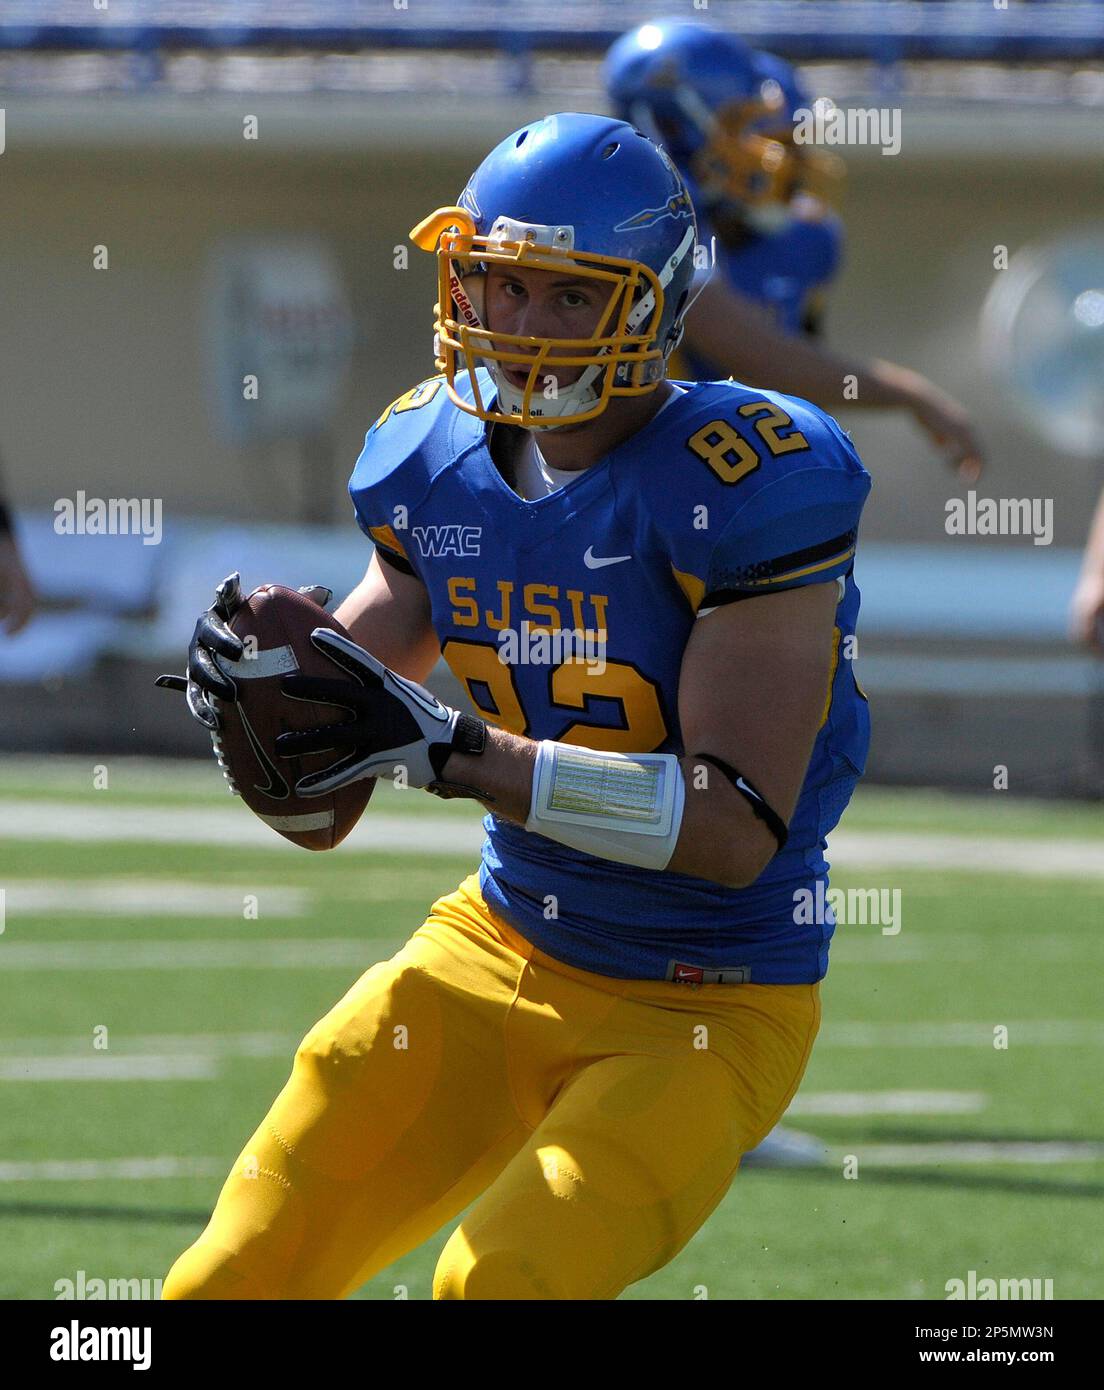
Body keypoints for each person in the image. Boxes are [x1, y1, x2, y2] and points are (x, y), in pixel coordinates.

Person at [159, 112, 871, 1300]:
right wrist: (263, 700)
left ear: (649, 306)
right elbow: (329, 785)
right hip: (497, 944)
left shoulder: (750, 480)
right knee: (231, 1279)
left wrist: (459, 752)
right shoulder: (426, 460)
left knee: (501, 1282)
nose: (514, 325)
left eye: (561, 296)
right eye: (494, 283)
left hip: (704, 1002)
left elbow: (730, 830)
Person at [604, 18, 984, 481]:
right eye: (745, 128)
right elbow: (757, 355)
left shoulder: (792, 240)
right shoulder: (643, 213)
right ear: (673, 121)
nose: (777, 159)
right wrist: (909, 393)